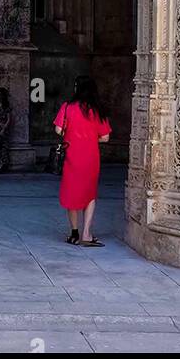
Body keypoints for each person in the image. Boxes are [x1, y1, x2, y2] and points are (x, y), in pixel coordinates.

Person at [53, 75, 111, 247]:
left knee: (72, 192)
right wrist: (91, 138)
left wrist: (72, 136)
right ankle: (86, 234)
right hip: (91, 156)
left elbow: (58, 129)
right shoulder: (98, 110)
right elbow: (106, 137)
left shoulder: (68, 107)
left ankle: (74, 233)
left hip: (72, 155)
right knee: (90, 194)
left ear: (77, 88)